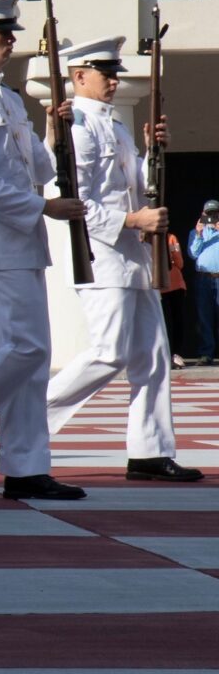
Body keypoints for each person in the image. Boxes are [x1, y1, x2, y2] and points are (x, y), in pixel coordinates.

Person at [0, 0, 88, 501]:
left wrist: (54, 129)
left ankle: (26, 466)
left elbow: (40, 169)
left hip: (22, 243)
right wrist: (42, 209)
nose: (10, 41)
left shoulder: (5, 98)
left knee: (34, 353)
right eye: (3, 33)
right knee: (23, 348)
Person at [46, 37, 202, 482]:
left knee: (153, 355)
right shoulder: (77, 126)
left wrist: (153, 152)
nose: (114, 81)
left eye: (115, 73)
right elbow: (74, 199)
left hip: (134, 256)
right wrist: (132, 218)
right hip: (103, 256)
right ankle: (32, 414)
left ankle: (150, 451)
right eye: (105, 73)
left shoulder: (112, 126)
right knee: (110, 351)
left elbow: (135, 182)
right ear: (79, 77)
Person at [189, 199, 219, 364]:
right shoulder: (195, 233)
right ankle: (206, 353)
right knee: (204, 316)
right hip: (204, 278)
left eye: (215, 214)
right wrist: (199, 234)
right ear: (202, 214)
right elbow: (193, 254)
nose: (212, 218)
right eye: (209, 214)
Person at [163, 232, 189, 369]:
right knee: (174, 321)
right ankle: (173, 354)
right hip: (161, 286)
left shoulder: (171, 238)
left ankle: (175, 354)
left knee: (174, 320)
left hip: (172, 285)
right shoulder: (171, 238)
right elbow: (179, 262)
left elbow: (180, 262)